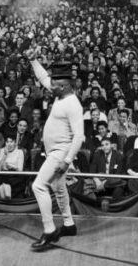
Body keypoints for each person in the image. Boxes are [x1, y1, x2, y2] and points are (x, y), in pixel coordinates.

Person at [28, 48, 85, 251]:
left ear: (65, 85)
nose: (51, 87)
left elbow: (79, 136)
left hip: (60, 153)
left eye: (56, 85)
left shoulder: (73, 104)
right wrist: (33, 60)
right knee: (59, 188)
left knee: (39, 186)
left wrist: (66, 160)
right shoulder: (60, 94)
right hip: (55, 151)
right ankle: (69, 225)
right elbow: (44, 77)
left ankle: (50, 230)